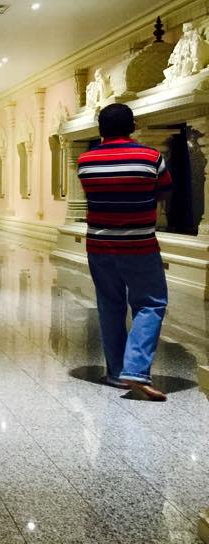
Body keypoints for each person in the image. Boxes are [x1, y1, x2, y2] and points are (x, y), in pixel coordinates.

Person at [77, 103, 172, 401]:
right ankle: (136, 369)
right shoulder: (151, 158)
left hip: (99, 246)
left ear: (100, 129)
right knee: (151, 303)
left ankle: (116, 373)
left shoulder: (85, 161)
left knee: (110, 305)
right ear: (132, 126)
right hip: (140, 245)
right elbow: (164, 190)